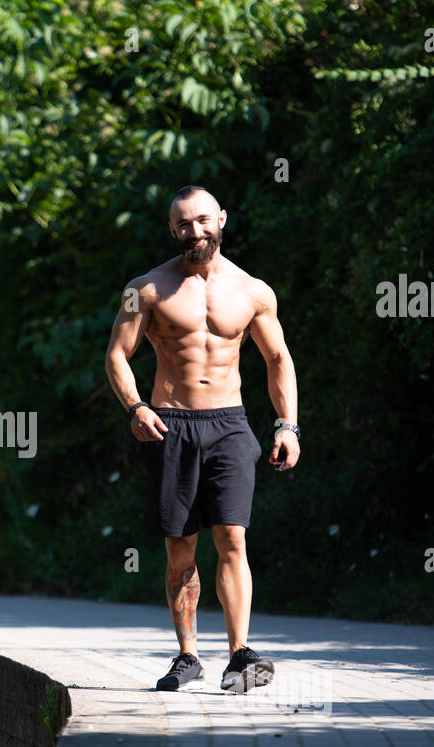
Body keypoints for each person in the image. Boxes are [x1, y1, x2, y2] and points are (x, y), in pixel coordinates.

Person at [103, 185, 300, 694]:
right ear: (173, 230)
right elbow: (117, 356)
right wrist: (136, 407)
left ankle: (240, 655)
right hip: (171, 423)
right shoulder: (145, 289)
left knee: (232, 536)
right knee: (180, 547)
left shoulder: (254, 291)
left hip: (231, 424)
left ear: (222, 219)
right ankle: (188, 656)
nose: (195, 231)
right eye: (184, 224)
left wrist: (287, 425)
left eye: (204, 220)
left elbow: (278, 359)